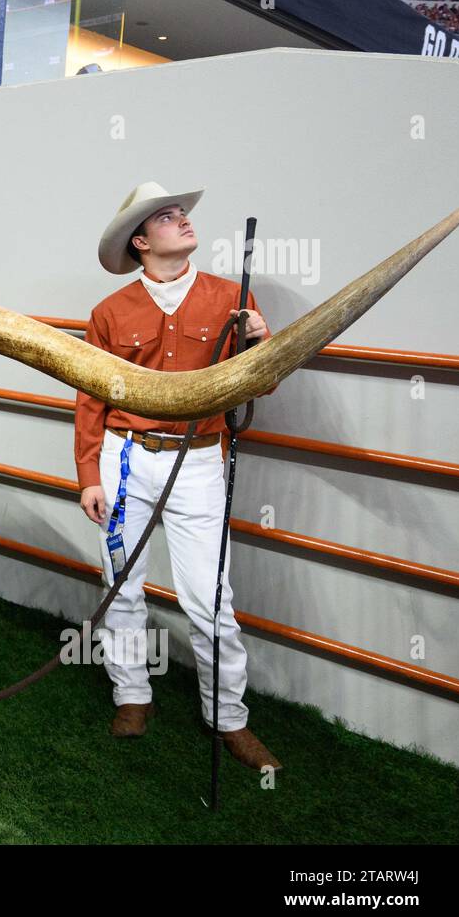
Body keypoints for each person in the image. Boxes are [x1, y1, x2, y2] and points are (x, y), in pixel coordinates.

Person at [73, 181, 281, 772]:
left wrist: (258, 348)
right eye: (166, 218)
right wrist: (90, 472)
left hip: (198, 458)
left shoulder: (231, 299)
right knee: (121, 583)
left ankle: (229, 717)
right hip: (124, 456)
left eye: (182, 214)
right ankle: (132, 694)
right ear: (140, 242)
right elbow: (91, 396)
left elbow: (260, 384)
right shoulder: (109, 313)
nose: (183, 222)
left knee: (210, 599)